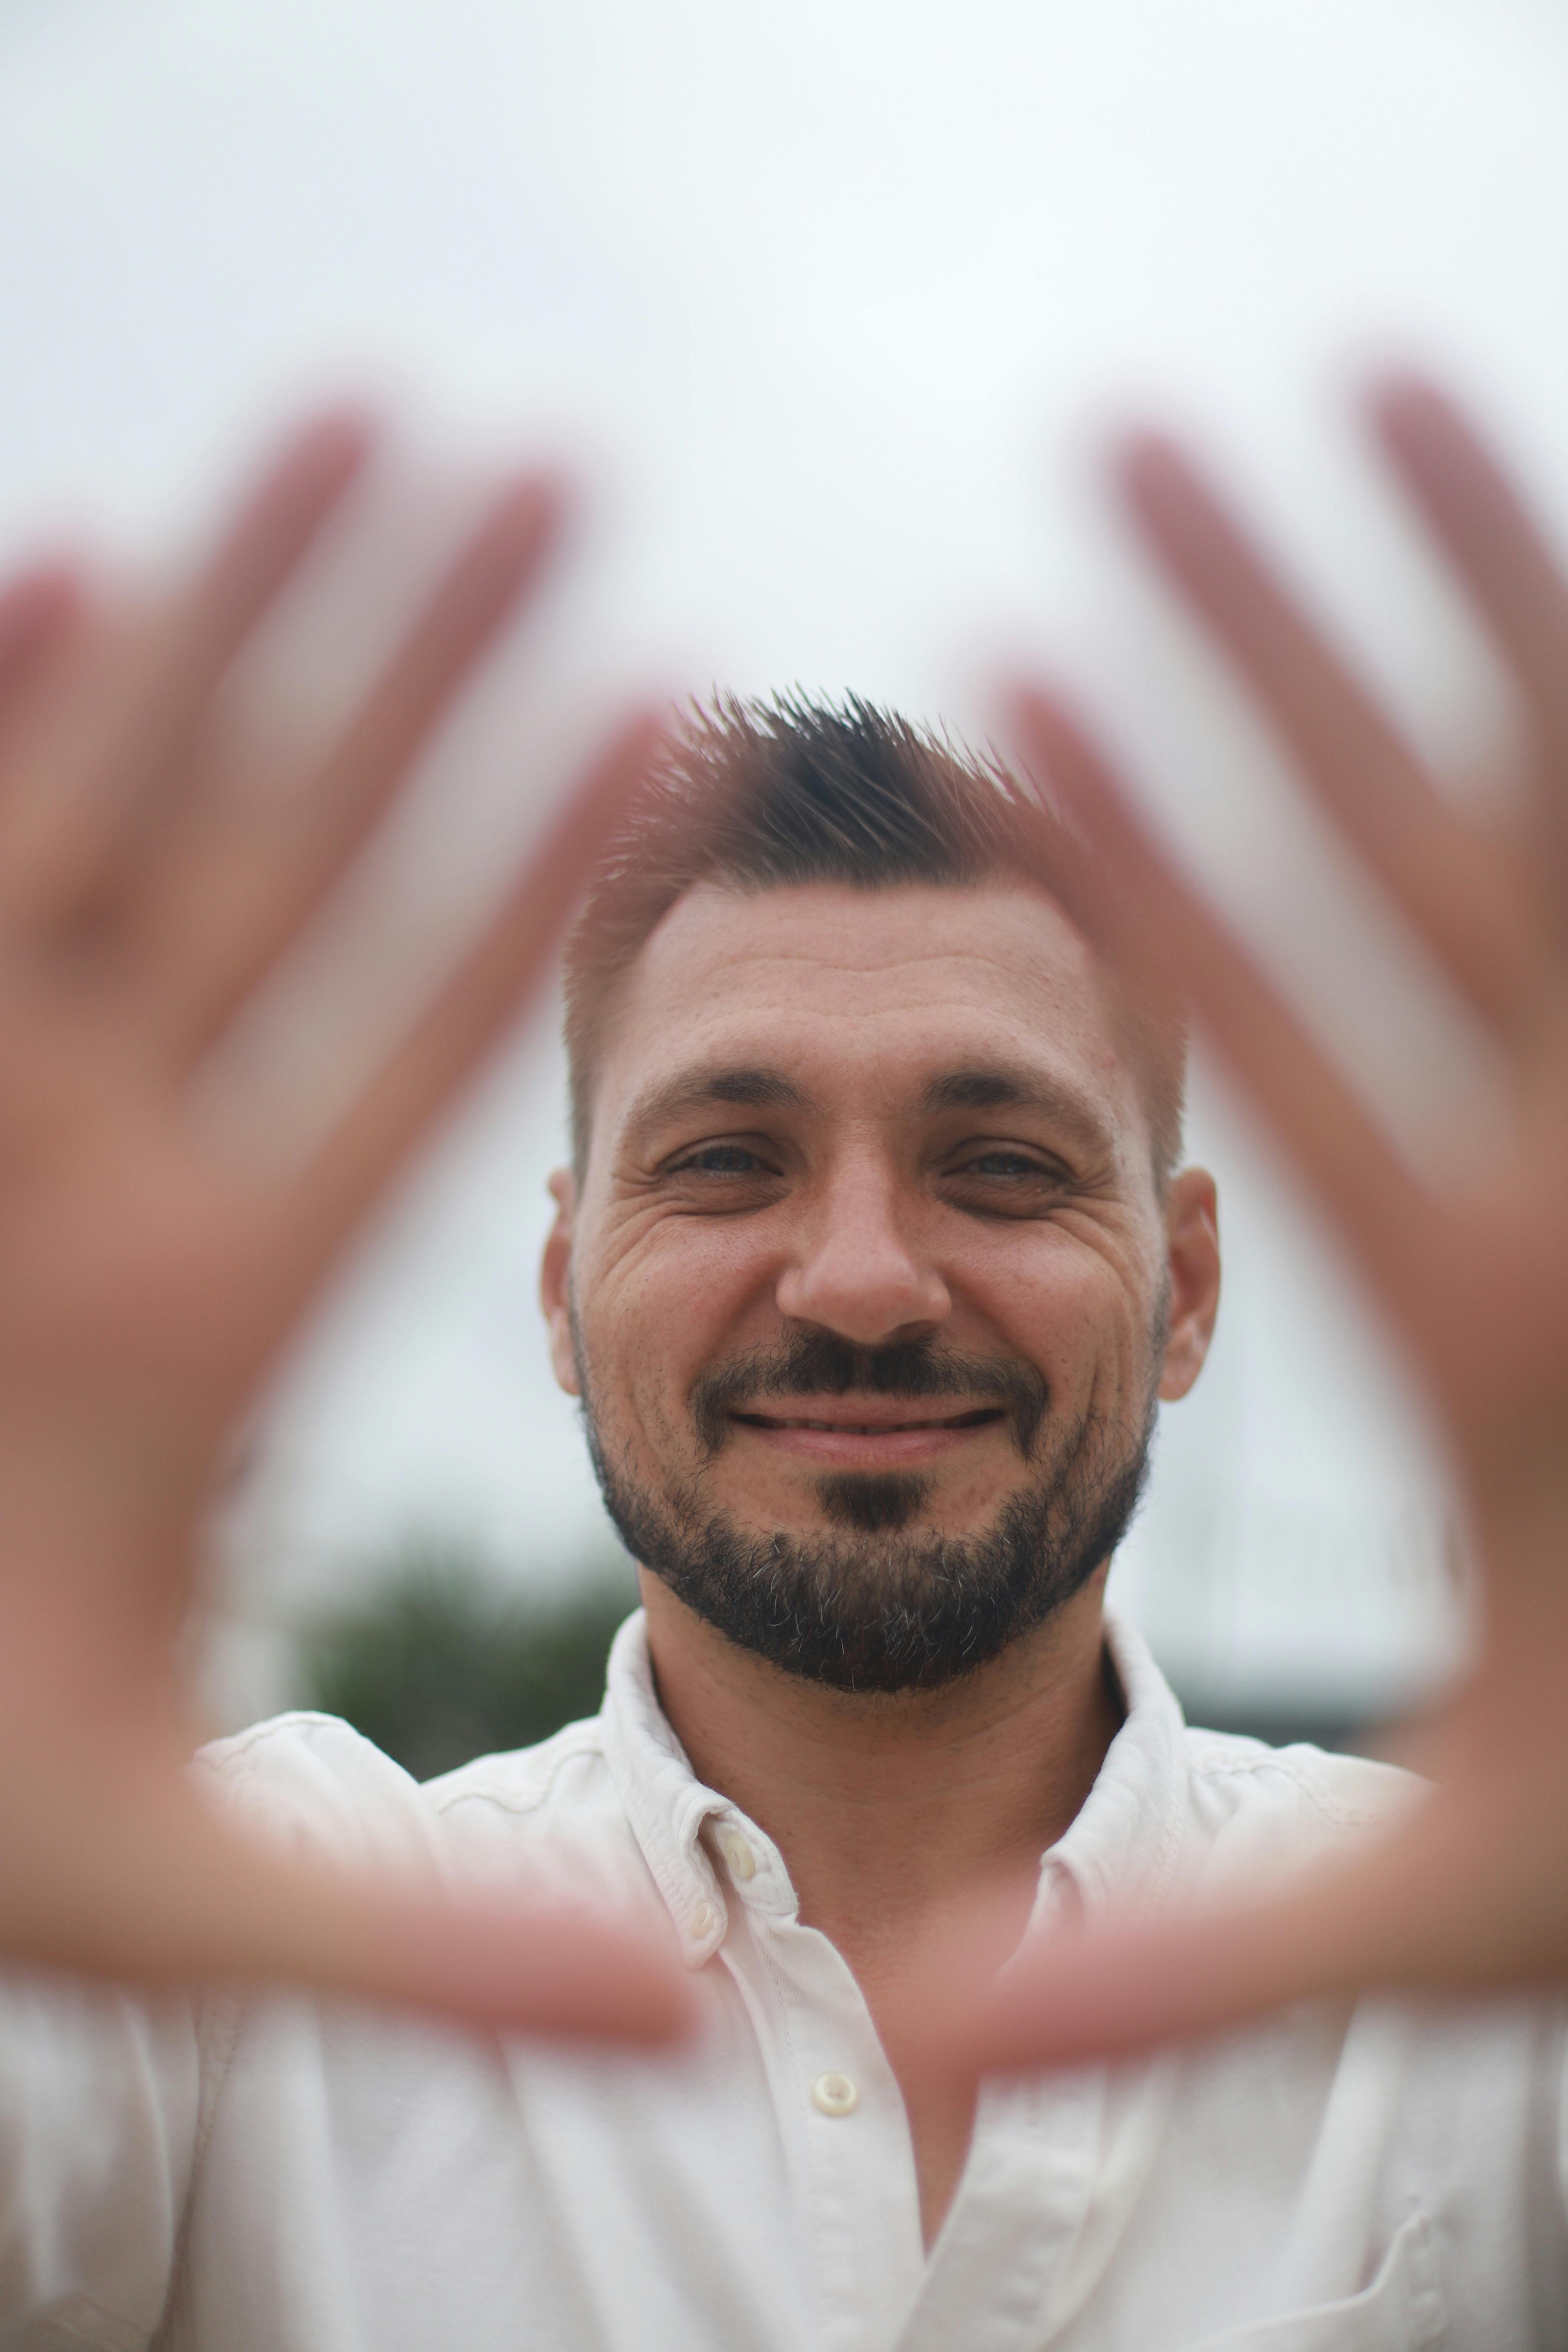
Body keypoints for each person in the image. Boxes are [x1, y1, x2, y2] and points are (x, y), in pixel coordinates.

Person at [1, 377, 1566, 2348]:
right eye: (730, 1159)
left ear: (1183, 1293)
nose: (856, 1281)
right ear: (566, 1281)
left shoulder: (1498, 1992)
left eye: (997, 1165)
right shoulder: (227, 1953)